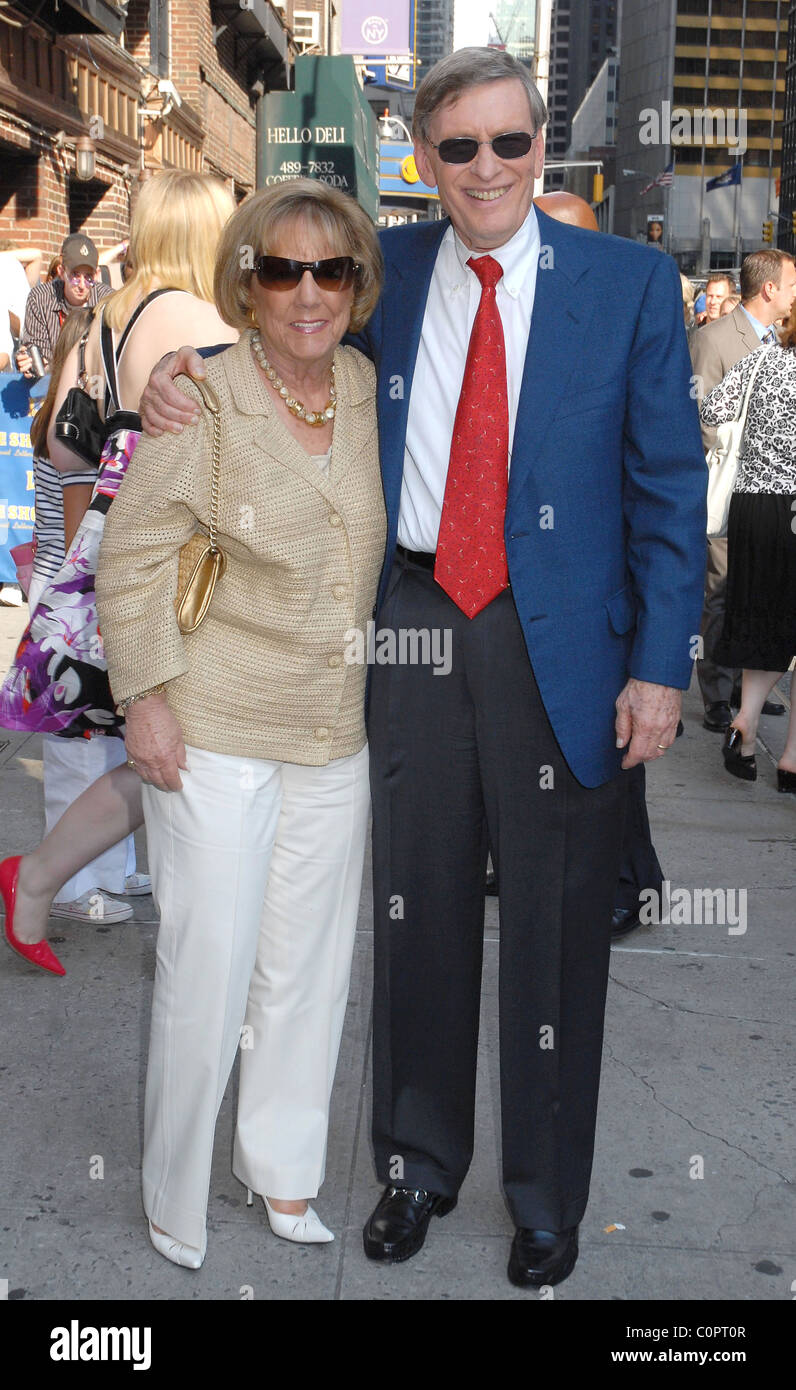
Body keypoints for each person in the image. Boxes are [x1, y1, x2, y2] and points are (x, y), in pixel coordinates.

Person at [139, 48, 707, 1290]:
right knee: (417, 913)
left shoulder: (629, 286)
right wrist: (173, 378)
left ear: (538, 147)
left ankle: (548, 1196)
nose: (487, 168)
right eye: (460, 149)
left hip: (559, 643)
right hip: (410, 625)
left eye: (509, 143)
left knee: (558, 931)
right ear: (425, 159)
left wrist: (660, 667)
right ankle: (414, 1165)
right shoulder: (378, 272)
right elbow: (273, 336)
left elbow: (668, 489)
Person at [93, 179, 385, 1269]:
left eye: (330, 270)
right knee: (208, 969)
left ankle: (283, 1173)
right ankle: (172, 1187)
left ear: (356, 285)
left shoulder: (364, 385)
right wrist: (147, 700)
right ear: (246, 283)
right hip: (210, 723)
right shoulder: (201, 398)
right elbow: (130, 559)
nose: (306, 292)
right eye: (279, 270)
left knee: (306, 973)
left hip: (332, 731)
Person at [0, 170, 236, 949]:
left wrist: (80, 553)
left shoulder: (109, 319)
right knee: (182, 737)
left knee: (139, 731)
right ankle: (53, 877)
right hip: (176, 555)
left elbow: (67, 446)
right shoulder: (198, 318)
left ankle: (49, 876)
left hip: (120, 546)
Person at [691, 249, 796, 732]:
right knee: (719, 591)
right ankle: (715, 693)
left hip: (758, 496)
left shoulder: (777, 343)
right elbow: (699, 413)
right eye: (792, 284)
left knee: (750, 594)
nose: (795, 294)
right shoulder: (714, 339)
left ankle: (744, 688)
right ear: (770, 289)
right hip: (726, 486)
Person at [700, 324, 796, 792]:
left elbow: (713, 408)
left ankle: (746, 721)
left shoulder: (761, 360)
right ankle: (792, 760)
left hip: (755, 507)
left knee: (762, 618)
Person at [16, 233, 111, 377]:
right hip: (53, 385)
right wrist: (30, 363)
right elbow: (37, 353)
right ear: (61, 272)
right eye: (75, 275)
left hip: (95, 382)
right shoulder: (41, 298)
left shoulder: (108, 301)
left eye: (88, 278)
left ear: (97, 275)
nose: (81, 285)